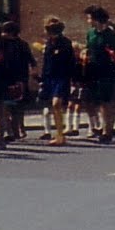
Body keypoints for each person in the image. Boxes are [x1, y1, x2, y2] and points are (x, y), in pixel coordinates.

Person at [83, 6, 115, 142]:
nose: (88, 21)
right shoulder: (90, 34)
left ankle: (107, 131)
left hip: (108, 71)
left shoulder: (111, 36)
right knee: (89, 101)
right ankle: (97, 125)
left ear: (97, 19)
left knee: (107, 102)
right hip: (92, 71)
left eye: (89, 18)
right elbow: (88, 48)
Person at [38, 17, 76, 146]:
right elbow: (46, 63)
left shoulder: (65, 43)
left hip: (62, 77)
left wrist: (72, 80)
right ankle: (59, 132)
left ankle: (60, 134)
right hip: (50, 77)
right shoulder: (49, 44)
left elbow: (71, 62)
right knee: (53, 106)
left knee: (56, 103)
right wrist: (42, 79)